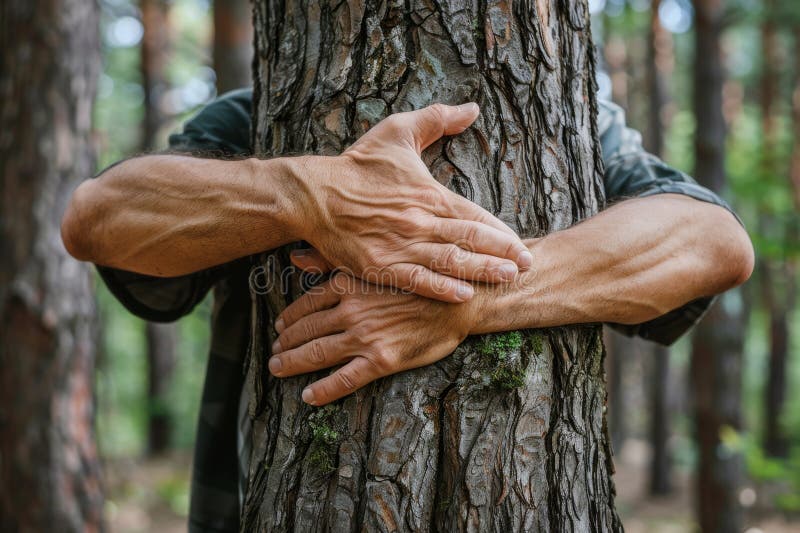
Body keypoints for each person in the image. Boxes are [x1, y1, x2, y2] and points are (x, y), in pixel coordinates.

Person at [61, 89, 753, 531]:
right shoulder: (265, 110)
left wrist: (473, 298)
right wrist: (312, 192)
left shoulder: (566, 118)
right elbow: (98, 218)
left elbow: (712, 241)